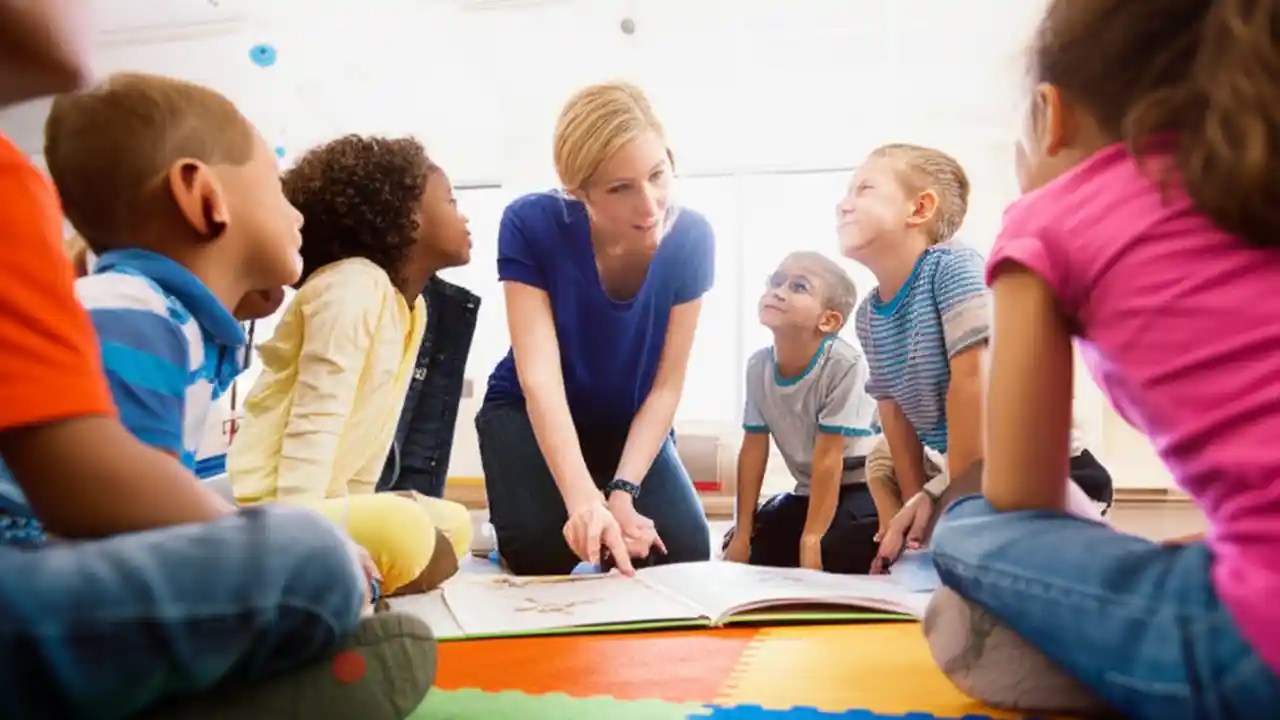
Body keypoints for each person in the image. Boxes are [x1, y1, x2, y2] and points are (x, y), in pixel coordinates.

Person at [0, 27, 428, 720]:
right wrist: (268, 543)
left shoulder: (179, 323)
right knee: (309, 557)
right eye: (277, 189)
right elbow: (113, 511)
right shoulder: (129, 310)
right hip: (34, 561)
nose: (297, 214)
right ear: (205, 196)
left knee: (299, 547)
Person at [922, 0, 1280, 717]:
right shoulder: (1253, 182)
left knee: (968, 520)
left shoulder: (1045, 221)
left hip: (1252, 652)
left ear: (1051, 117)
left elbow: (1021, 491)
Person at [835, 143, 1113, 571]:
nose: (844, 204)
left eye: (864, 188)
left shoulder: (951, 268)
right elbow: (896, 419)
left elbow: (972, 383)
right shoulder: (870, 316)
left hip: (1049, 473)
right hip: (965, 477)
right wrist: (915, 524)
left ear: (920, 208)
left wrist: (954, 508)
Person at [478, 81, 714, 576]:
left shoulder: (692, 237)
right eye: (620, 188)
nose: (649, 205)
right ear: (577, 191)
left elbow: (667, 384)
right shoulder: (530, 223)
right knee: (543, 552)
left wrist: (622, 493)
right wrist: (583, 498)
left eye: (657, 175)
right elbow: (539, 376)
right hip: (527, 410)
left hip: (627, 419)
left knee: (685, 549)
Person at [228, 134, 473, 595]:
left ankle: (359, 572)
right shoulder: (351, 286)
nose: (464, 217)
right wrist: (299, 534)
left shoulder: (412, 310)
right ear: (410, 218)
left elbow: (370, 441)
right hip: (276, 504)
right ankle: (325, 570)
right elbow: (315, 420)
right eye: (452, 200)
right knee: (407, 531)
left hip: (324, 500)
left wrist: (359, 506)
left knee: (454, 523)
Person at [721, 252, 881, 573]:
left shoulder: (845, 365)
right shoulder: (758, 366)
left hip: (862, 485)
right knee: (760, 540)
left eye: (798, 287)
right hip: (811, 491)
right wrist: (742, 533)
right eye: (776, 282)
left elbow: (828, 458)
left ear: (828, 321)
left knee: (839, 544)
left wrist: (812, 539)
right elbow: (753, 450)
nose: (778, 291)